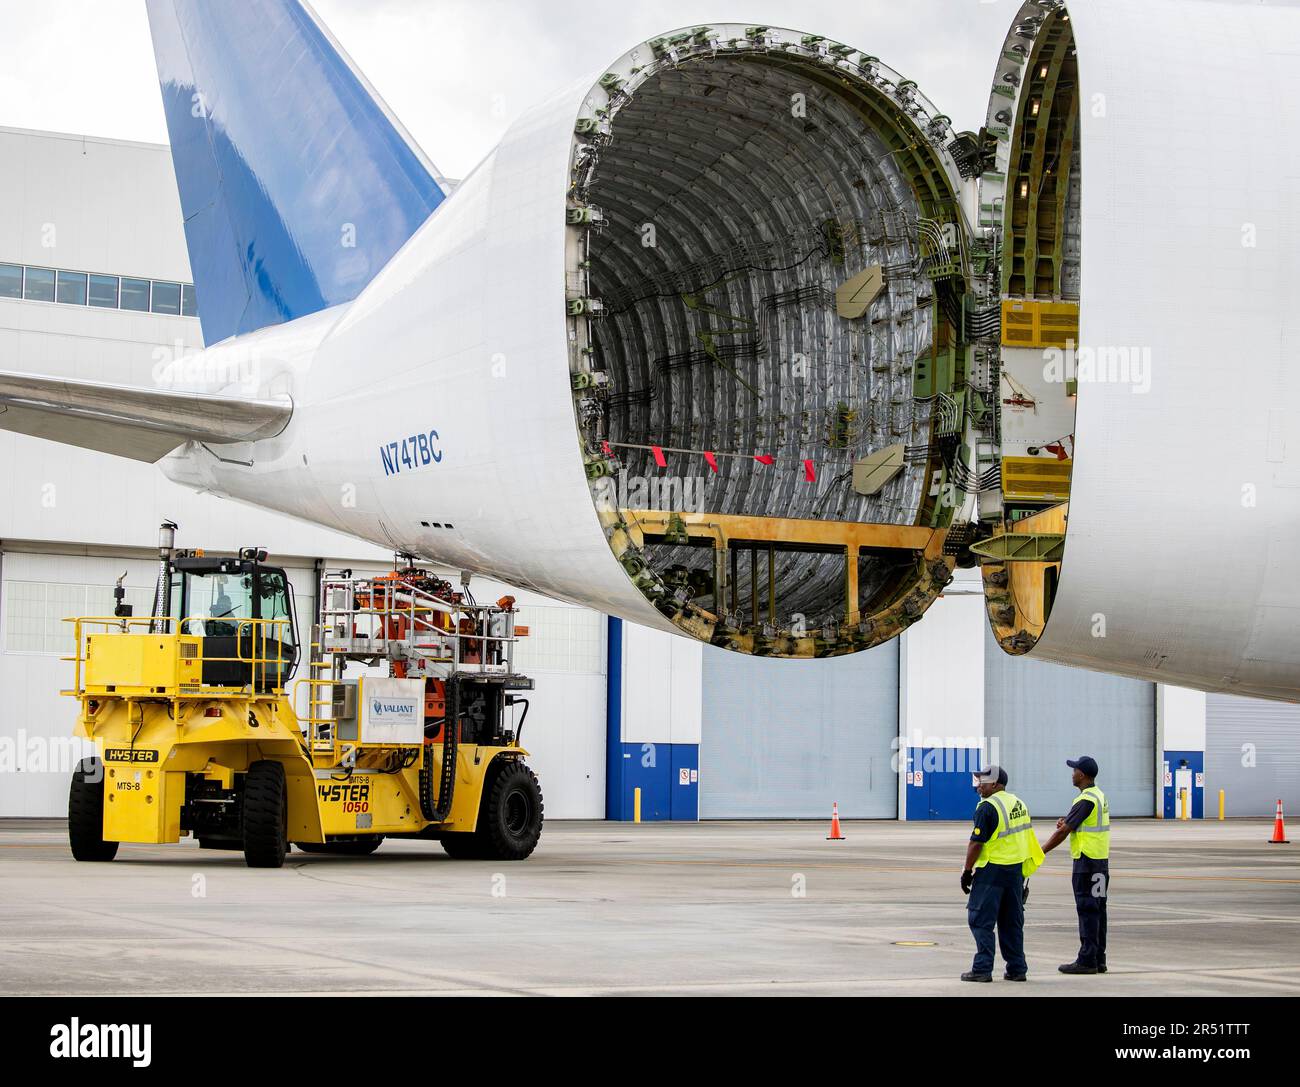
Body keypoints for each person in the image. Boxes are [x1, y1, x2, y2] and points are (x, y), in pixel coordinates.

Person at [960, 764, 1044, 982]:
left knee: (980, 920)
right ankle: (1017, 968)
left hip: (992, 873)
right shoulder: (1019, 803)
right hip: (1015, 873)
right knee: (1011, 922)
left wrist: (967, 871)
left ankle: (982, 969)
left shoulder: (987, 807)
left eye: (982, 782)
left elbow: (976, 843)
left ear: (995, 784)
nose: (978, 786)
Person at [1040, 755, 1110, 975]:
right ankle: (1099, 958)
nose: (1072, 774)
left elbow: (1063, 831)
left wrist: (1040, 851)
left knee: (1087, 909)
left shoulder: (1085, 800)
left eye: (1074, 771)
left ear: (1082, 775)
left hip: (1086, 863)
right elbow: (1075, 824)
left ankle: (1087, 960)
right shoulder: (1098, 796)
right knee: (1098, 909)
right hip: (1100, 862)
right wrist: (1068, 823)